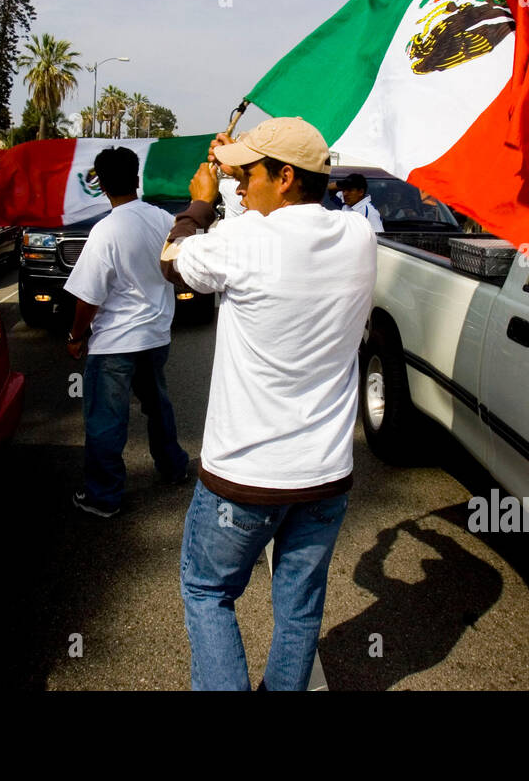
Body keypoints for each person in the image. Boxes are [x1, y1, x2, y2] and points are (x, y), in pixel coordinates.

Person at [159, 116, 377, 691]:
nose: (239, 183)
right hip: (325, 476)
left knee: (208, 591)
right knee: (300, 611)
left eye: (250, 174)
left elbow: (171, 260)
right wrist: (236, 166)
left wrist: (201, 203)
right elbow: (273, 227)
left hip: (244, 477)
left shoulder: (239, 241)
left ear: (283, 177)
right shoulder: (358, 236)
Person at [63, 146, 190, 518]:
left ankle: (104, 496)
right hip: (155, 336)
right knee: (157, 406)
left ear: (101, 185)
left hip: (115, 342)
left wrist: (75, 336)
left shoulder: (106, 231)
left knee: (106, 419)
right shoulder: (162, 220)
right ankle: (173, 467)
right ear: (137, 179)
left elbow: (88, 296)